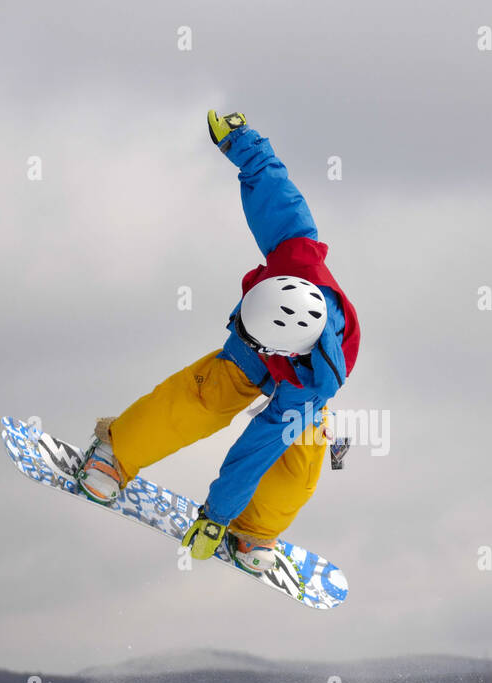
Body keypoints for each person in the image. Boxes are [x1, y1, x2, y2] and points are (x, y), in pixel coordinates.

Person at [77, 110, 361, 575]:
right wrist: (243, 142)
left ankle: (255, 530)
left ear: (284, 351)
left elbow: (253, 452)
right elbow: (276, 193)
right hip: (260, 344)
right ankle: (117, 452)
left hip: (300, 387)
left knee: (301, 461)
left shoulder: (312, 386)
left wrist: (217, 518)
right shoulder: (296, 253)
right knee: (207, 393)